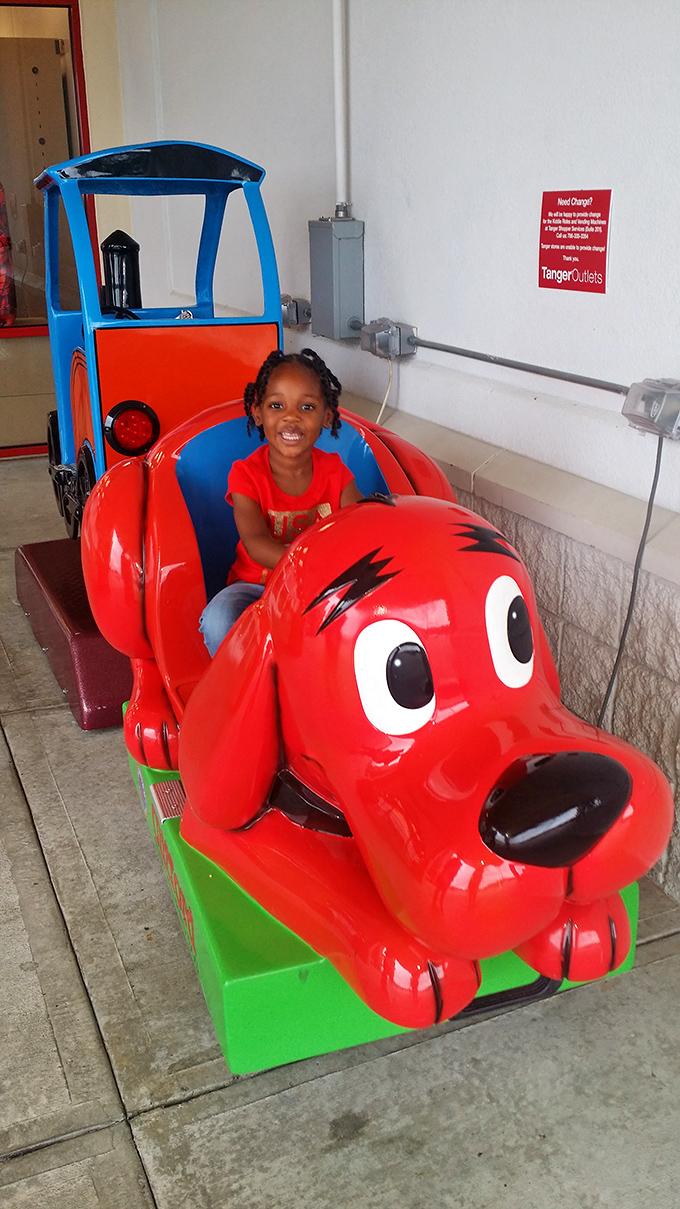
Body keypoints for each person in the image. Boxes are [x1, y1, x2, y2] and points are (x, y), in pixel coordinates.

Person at [199, 348, 362, 656]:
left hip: (319, 588)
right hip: (255, 590)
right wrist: (307, 564)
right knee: (219, 619)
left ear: (327, 416)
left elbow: (357, 528)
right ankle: (243, 687)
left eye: (307, 407)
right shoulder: (246, 474)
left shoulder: (335, 472)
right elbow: (255, 542)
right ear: (258, 411)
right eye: (277, 405)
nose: (291, 417)